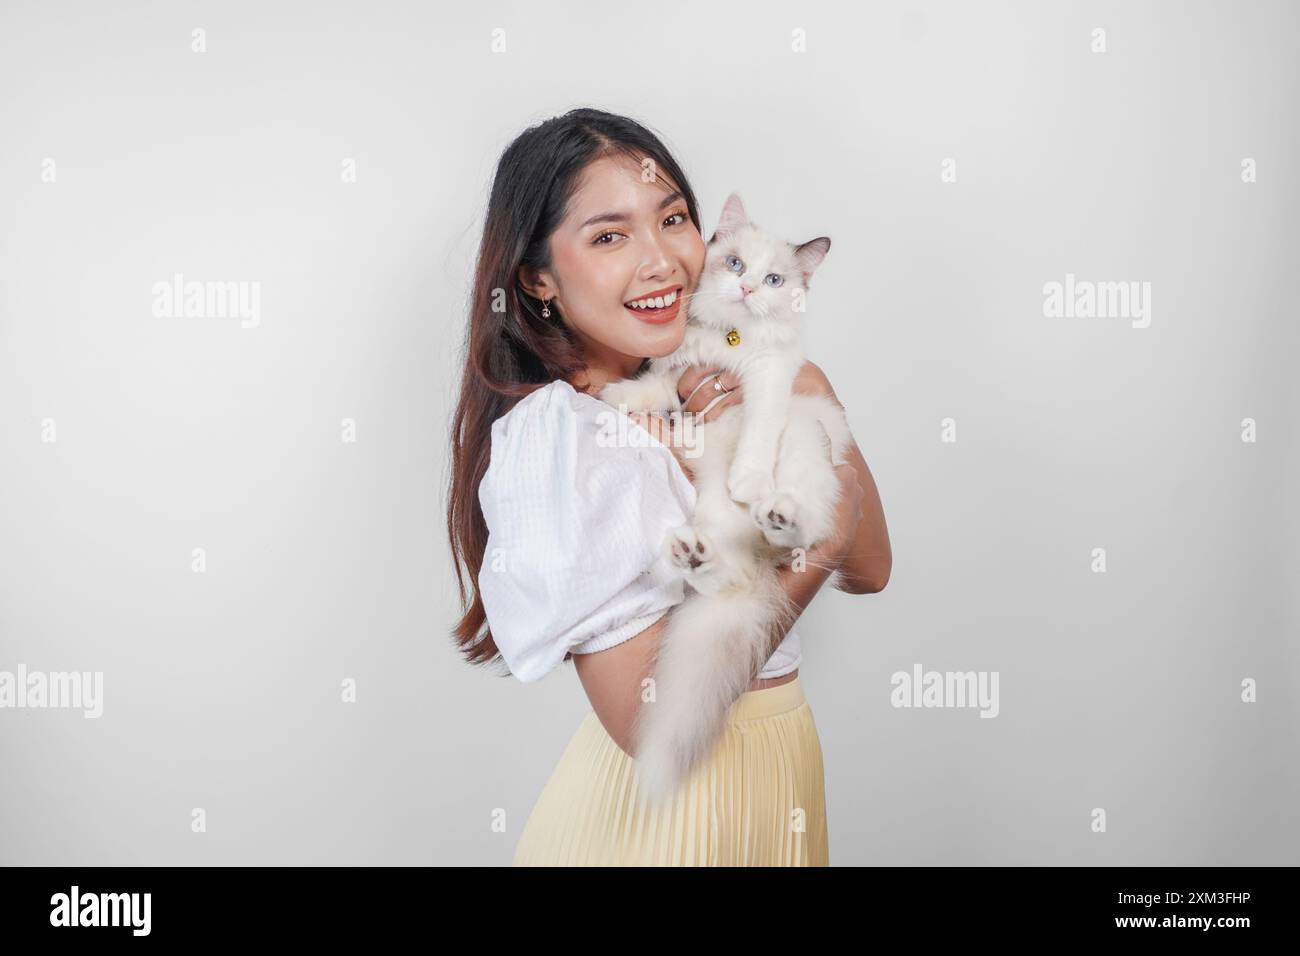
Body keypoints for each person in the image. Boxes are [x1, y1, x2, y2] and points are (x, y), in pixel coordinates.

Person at [447, 107, 892, 865]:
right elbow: (643, 721)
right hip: (662, 825)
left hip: (774, 785)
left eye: (673, 218)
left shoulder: (709, 367)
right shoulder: (565, 437)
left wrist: (808, 393)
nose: (662, 262)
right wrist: (818, 544)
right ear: (537, 277)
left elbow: (871, 569)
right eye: (609, 236)